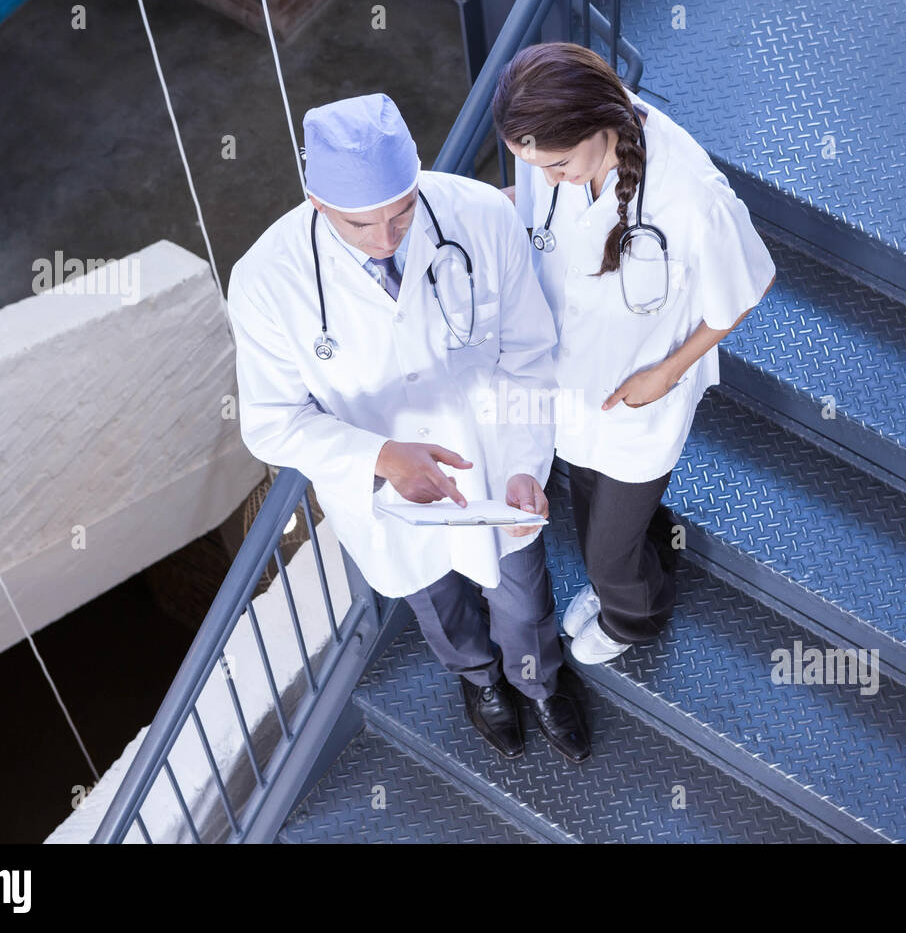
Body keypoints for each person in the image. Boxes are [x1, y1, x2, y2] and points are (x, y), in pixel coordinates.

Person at [227, 93, 589, 763]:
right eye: (361, 225)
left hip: (491, 462)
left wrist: (521, 464)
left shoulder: (478, 216)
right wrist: (380, 455)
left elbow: (529, 353)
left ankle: (538, 685)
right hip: (386, 495)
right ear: (316, 202)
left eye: (403, 211)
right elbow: (272, 423)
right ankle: (480, 683)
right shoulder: (265, 281)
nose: (388, 238)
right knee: (437, 600)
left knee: (522, 593)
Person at [493, 43, 778, 664]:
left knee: (606, 551)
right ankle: (634, 571)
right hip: (569, 385)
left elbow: (749, 285)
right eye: (533, 165)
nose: (547, 180)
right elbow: (543, 219)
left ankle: (633, 618)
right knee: (589, 499)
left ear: (600, 126)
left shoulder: (691, 194)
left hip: (639, 398)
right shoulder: (553, 150)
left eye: (559, 165)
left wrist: (667, 373)